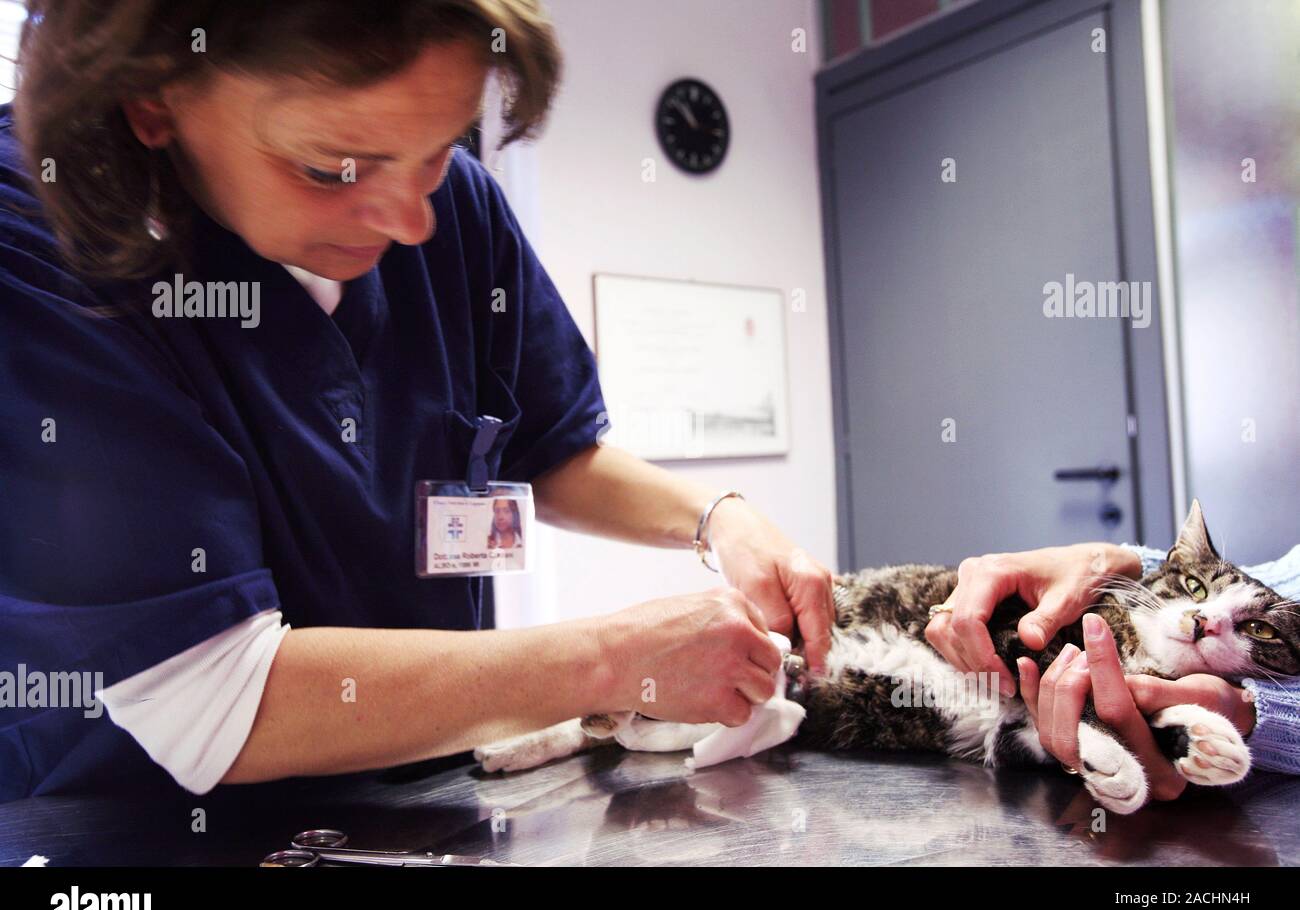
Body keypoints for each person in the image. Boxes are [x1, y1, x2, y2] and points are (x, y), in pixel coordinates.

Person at [0, 0, 836, 802]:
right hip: (137, 831)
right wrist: (614, 660)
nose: (409, 223)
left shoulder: (455, 206)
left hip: (423, 796)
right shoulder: (39, 237)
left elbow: (549, 450)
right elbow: (212, 700)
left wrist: (720, 519)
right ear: (154, 99)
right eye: (328, 170)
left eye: (439, 148)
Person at [925, 540, 1300, 802]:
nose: (1207, 620)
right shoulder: (1106, 619)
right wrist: (1114, 560)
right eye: (1196, 589)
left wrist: (1248, 707)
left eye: (1259, 629)